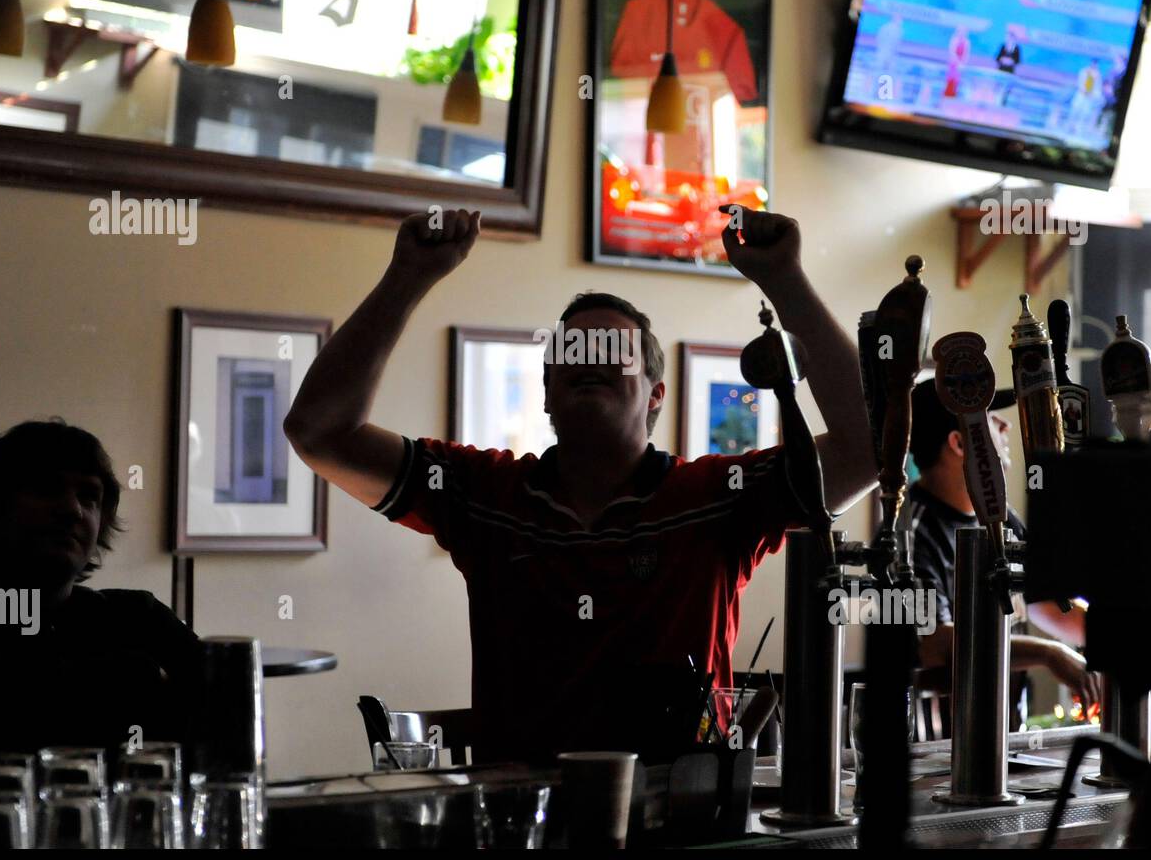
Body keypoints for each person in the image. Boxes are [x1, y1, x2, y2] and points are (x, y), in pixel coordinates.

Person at [285, 208, 877, 763]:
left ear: (655, 395)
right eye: (574, 349)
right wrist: (407, 275)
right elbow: (319, 432)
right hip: (528, 823)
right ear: (546, 392)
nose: (592, 359)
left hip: (678, 819)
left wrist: (786, 281)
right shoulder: (484, 494)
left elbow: (870, 448)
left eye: (614, 350)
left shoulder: (717, 497)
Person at [0, 420, 200, 762]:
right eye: (47, 489)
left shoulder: (137, 617)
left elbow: (226, 705)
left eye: (89, 496)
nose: (72, 510)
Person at [898, 381, 1100, 717]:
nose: (1006, 425)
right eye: (992, 417)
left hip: (1007, 734)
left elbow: (1048, 603)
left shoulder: (1002, 518)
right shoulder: (911, 531)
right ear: (960, 442)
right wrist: (1049, 653)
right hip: (935, 749)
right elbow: (936, 644)